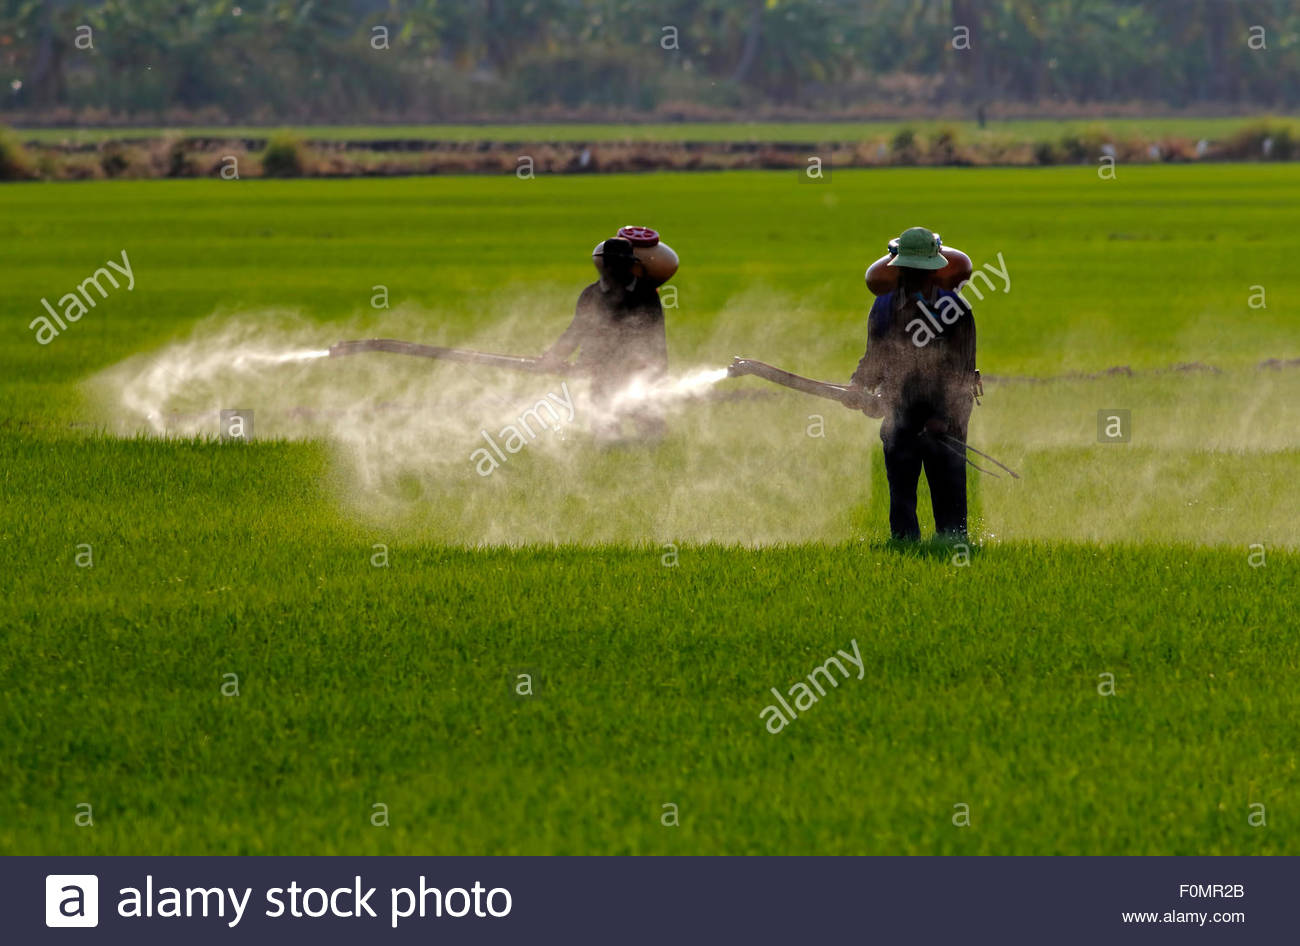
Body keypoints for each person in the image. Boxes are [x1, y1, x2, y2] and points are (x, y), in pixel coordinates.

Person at [845, 227, 980, 541]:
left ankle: (953, 540)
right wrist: (858, 386)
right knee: (901, 481)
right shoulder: (883, 307)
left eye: (920, 270)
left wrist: (943, 419)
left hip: (947, 412)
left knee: (947, 480)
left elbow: (962, 371)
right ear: (898, 267)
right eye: (908, 269)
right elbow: (874, 355)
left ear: (934, 270)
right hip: (900, 406)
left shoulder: (956, 310)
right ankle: (904, 542)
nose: (913, 275)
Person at [540, 229, 676, 441]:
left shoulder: (646, 296)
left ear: (631, 266)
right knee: (605, 432)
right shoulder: (591, 295)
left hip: (638, 373)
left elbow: (654, 336)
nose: (616, 270)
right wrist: (555, 356)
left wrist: (658, 372)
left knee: (651, 433)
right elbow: (576, 331)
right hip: (600, 372)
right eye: (612, 264)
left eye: (621, 265)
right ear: (605, 266)